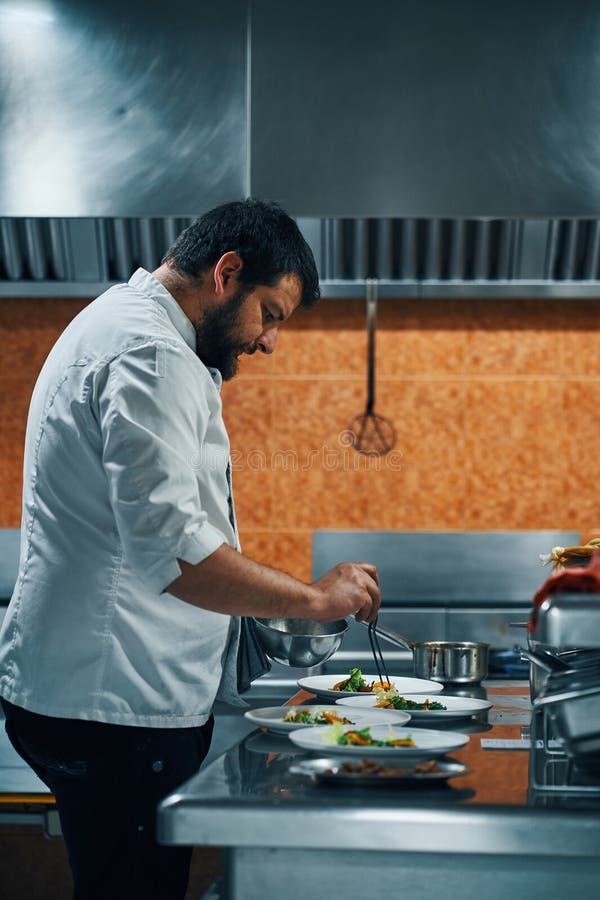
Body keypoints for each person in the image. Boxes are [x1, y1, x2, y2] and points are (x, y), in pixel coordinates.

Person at [0, 199, 380, 899]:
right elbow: (175, 552)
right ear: (226, 273)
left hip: (102, 701)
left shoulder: (131, 327)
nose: (269, 343)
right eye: (270, 314)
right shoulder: (151, 352)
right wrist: (314, 598)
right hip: (116, 710)